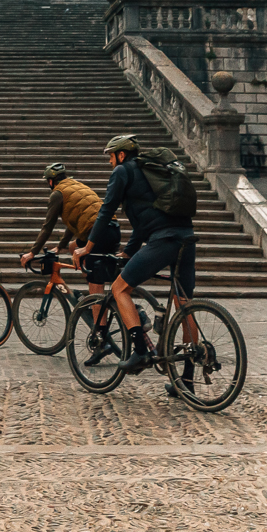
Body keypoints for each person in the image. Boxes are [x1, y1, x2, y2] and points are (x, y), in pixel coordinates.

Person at [87, 133, 197, 376]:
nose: (110, 162)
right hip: (186, 237)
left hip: (164, 240)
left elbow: (106, 211)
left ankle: (139, 351)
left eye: (111, 157)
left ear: (122, 154)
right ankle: (187, 380)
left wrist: (87, 247)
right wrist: (128, 252)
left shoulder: (122, 171)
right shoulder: (149, 173)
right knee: (185, 305)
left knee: (119, 288)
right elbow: (143, 223)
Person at [21, 161, 114, 295]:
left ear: (51, 181)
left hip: (97, 233)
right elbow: (75, 221)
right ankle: (90, 290)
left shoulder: (58, 193)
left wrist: (32, 252)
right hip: (109, 228)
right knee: (72, 247)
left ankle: (95, 304)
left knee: (96, 288)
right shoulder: (76, 185)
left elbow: (48, 227)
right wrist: (61, 246)